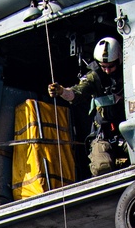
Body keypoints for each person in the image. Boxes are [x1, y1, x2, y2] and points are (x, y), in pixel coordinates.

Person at [48, 36, 126, 177]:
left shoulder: (129, 71)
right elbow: (77, 93)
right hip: (104, 135)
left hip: (128, 130)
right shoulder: (94, 77)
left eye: (111, 66)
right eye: (103, 67)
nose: (107, 70)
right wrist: (61, 91)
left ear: (119, 59)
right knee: (102, 168)